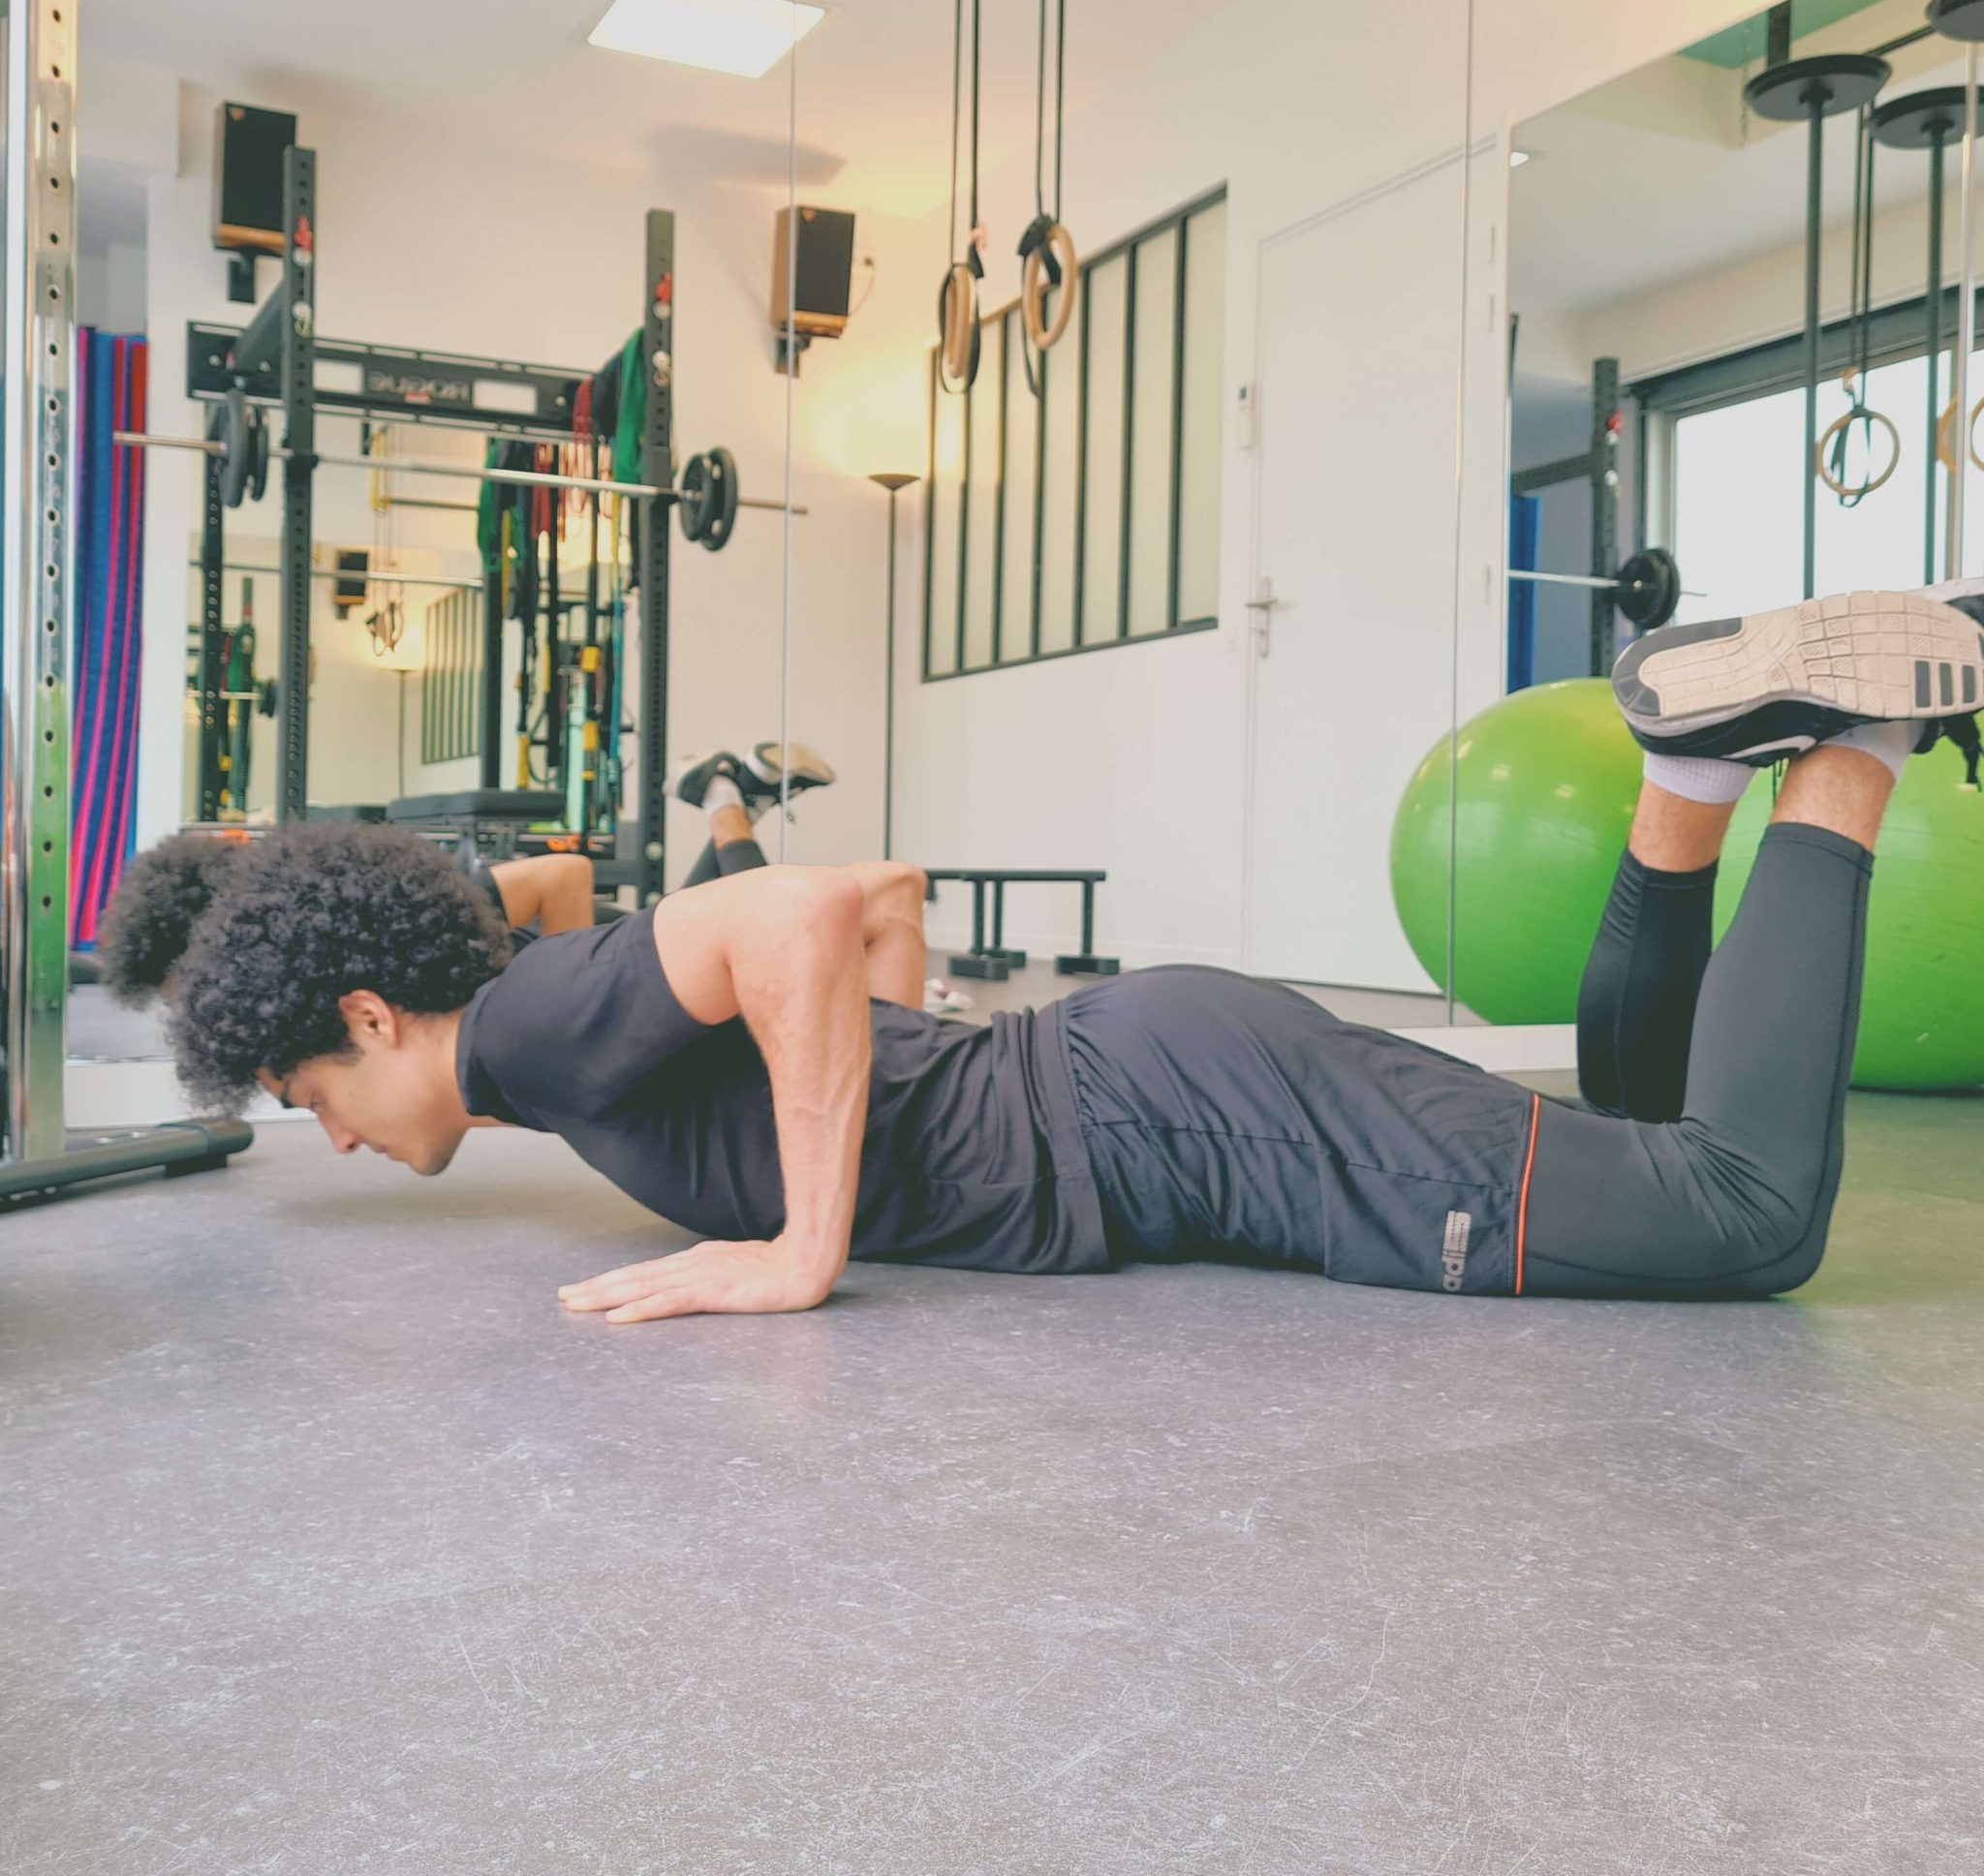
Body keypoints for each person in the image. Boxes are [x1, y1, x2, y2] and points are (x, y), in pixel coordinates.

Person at [151, 581, 1984, 1324]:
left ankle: (1842, 755)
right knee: (1636, 1115)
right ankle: (1678, 778)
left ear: (377, 1014)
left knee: (1744, 1212)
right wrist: (905, 1088)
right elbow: (872, 891)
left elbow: (790, 911)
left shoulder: (532, 1034)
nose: (329, 1129)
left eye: (318, 1086)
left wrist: (802, 1243)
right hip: (1161, 1081)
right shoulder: (542, 1037)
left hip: (1193, 1122)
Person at [96, 739, 837, 1001]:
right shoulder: (318, 977)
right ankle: (735, 796)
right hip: (617, 963)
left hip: (605, 960)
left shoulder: (384, 921)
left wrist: (575, 991)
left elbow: (565, 879)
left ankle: (719, 795)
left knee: (756, 919)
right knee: (703, 913)